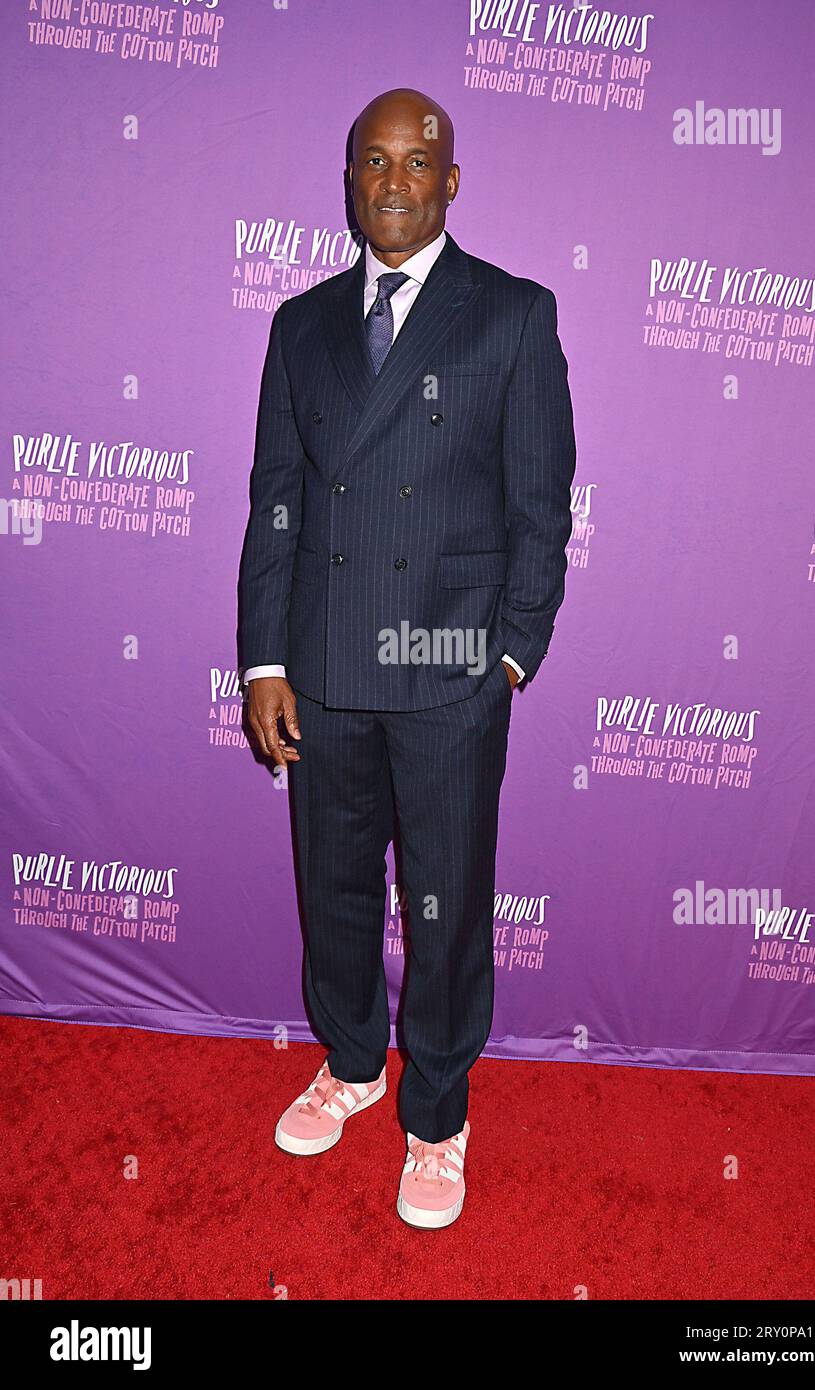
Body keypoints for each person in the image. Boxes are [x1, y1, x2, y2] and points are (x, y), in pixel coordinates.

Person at [239, 87, 576, 1229]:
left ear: (451, 181)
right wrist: (261, 662)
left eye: (413, 162)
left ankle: (436, 1114)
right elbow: (275, 504)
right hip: (325, 669)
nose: (392, 182)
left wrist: (513, 656)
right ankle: (350, 1060)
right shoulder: (302, 323)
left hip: (446, 676)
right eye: (370, 164)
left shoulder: (512, 317)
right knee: (332, 891)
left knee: (444, 908)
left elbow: (542, 508)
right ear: (350, 184)